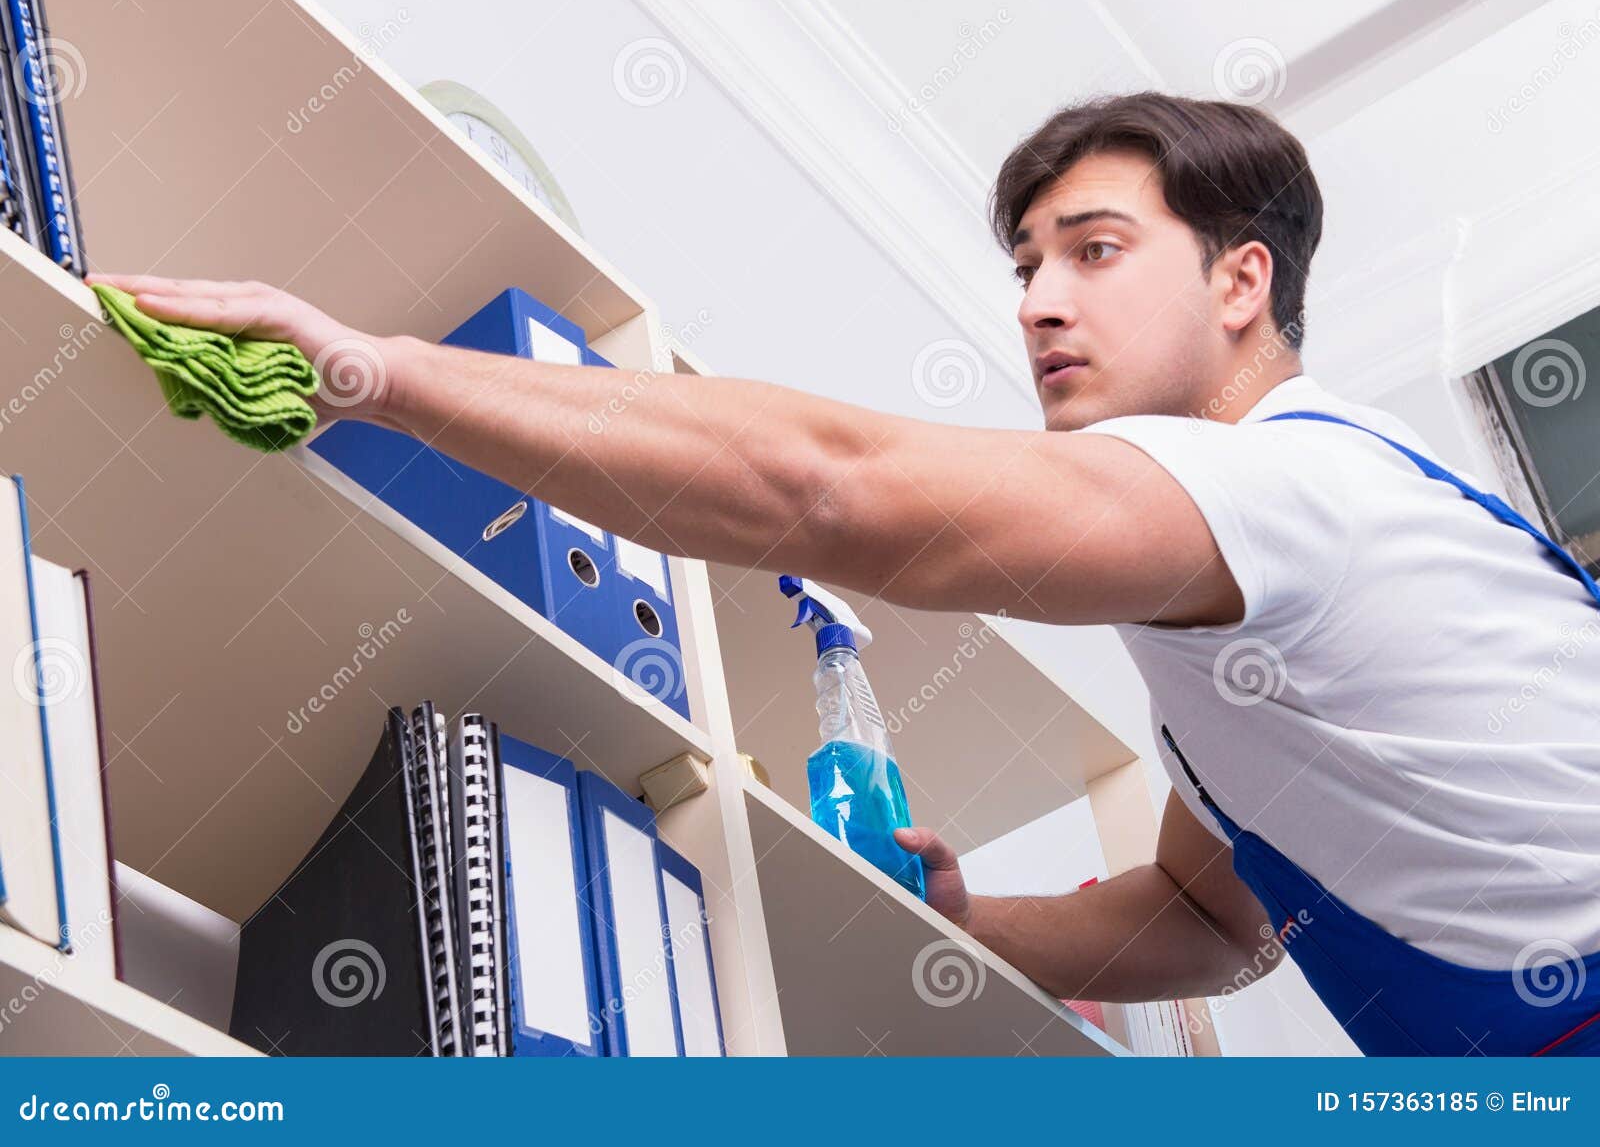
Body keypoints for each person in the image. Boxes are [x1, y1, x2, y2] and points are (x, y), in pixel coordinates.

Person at [89, 92, 1600, 1057]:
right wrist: (967, 916)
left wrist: (378, 371)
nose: (1038, 303)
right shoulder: (1250, 615)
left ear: (1241, 279)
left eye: (1092, 251)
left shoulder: (1286, 488)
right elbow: (1218, 925)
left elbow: (828, 488)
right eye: (1026, 268)